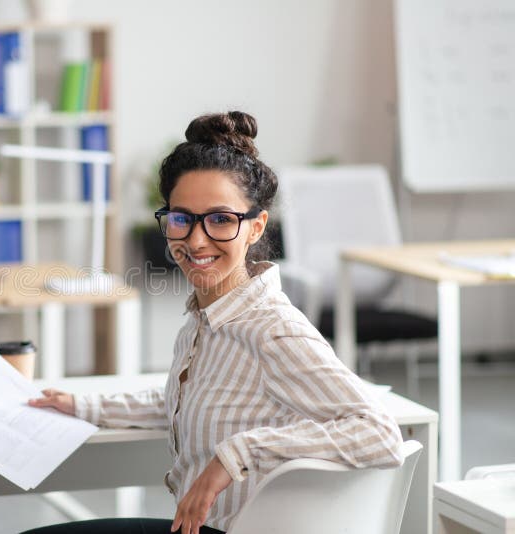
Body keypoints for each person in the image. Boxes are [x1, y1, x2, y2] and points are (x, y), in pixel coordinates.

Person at [24, 111, 404, 534]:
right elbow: (186, 399)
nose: (196, 240)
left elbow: (379, 433)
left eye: (221, 219)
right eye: (181, 219)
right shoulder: (204, 320)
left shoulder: (273, 328)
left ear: (256, 227)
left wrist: (237, 453)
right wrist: (82, 406)